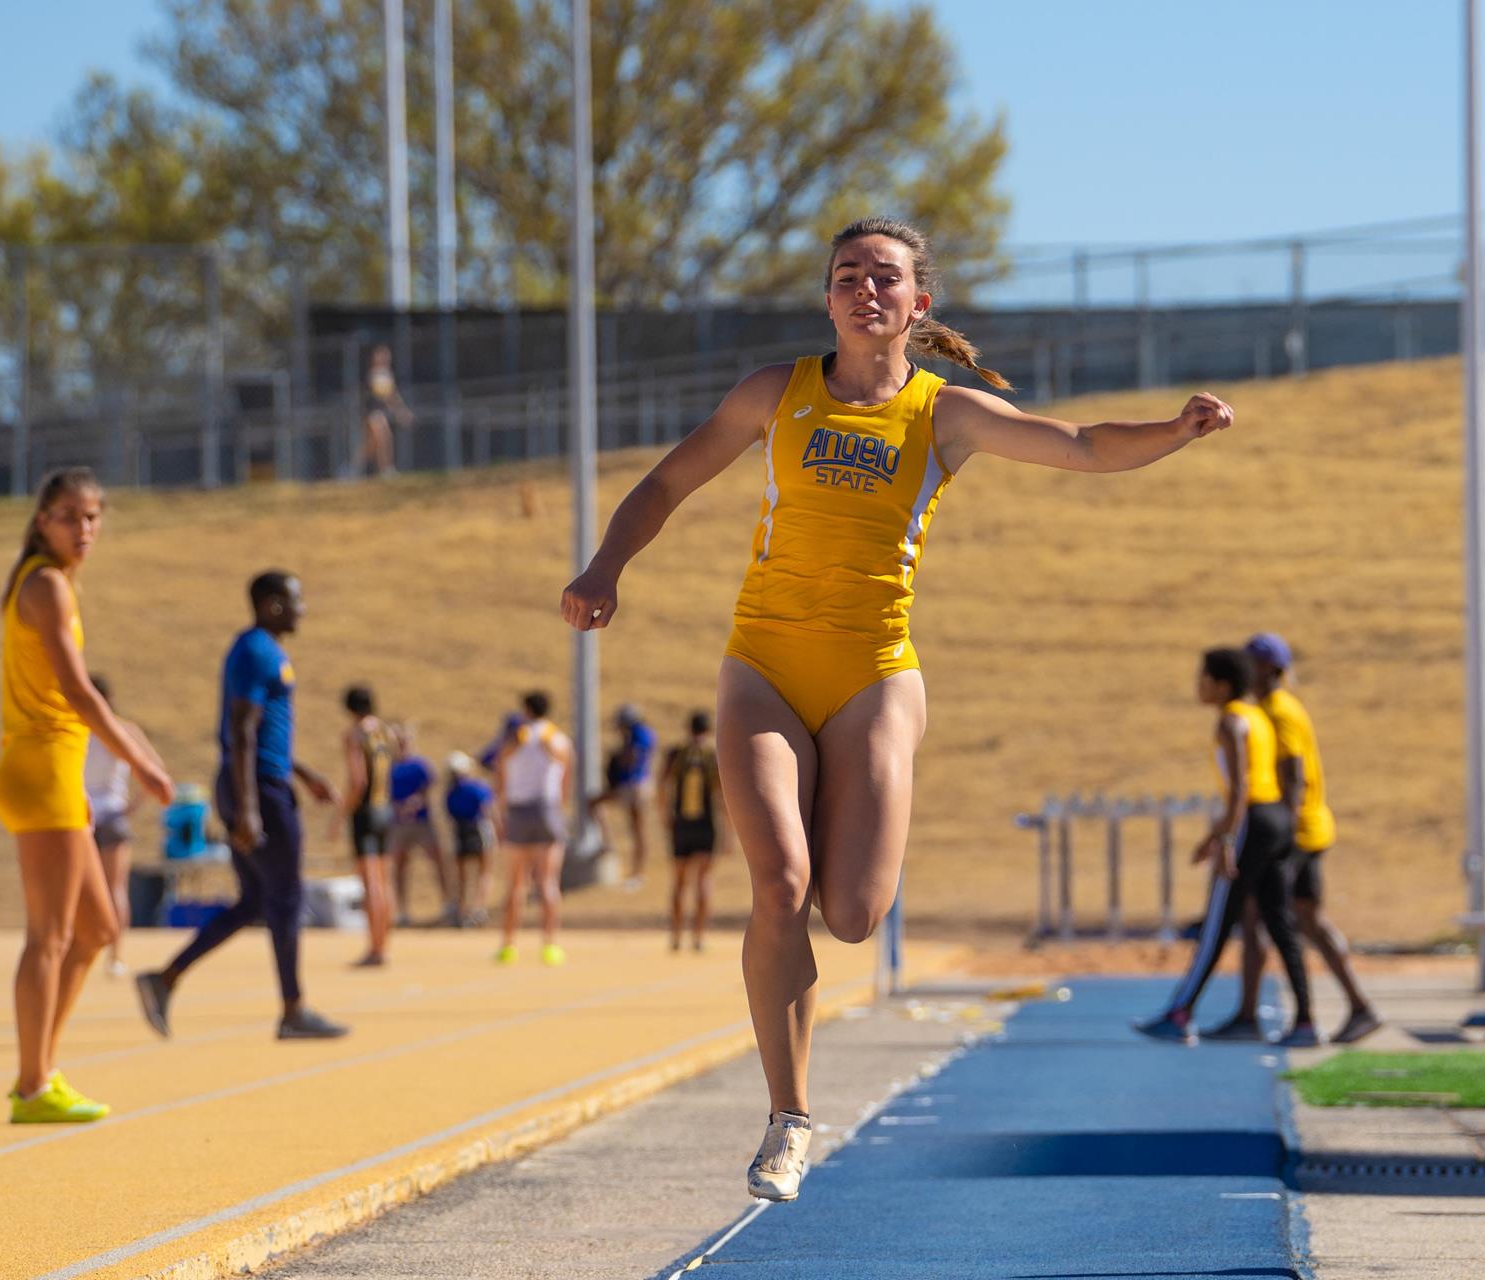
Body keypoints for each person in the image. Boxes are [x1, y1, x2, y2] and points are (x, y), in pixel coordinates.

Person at [560, 216, 1233, 1201]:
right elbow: (665, 483)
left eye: (885, 277)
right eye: (846, 276)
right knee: (778, 881)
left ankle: (859, 796)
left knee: (851, 915)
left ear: (919, 306)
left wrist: (1173, 431)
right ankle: (787, 1119)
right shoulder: (772, 394)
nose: (864, 290)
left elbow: (1082, 445)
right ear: (827, 301)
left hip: (874, 676)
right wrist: (603, 566)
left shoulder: (942, 414)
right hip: (764, 668)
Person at [0, 467, 173, 1123]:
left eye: (93, 517)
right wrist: (143, 763)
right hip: (40, 772)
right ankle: (33, 1086)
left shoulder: (53, 583)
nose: (84, 528)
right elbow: (78, 694)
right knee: (49, 936)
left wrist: (140, 757)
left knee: (98, 929)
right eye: (70, 516)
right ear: (42, 520)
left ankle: (40, 1074)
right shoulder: (44, 584)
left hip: (52, 772)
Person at [136, 572, 347, 1042]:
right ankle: (293, 1010)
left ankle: (164, 979)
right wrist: (249, 807)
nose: (302, 609)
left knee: (255, 899)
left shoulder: (264, 650)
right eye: (295, 600)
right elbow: (243, 728)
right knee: (286, 897)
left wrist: (305, 774)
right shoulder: (256, 650)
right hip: (258, 790)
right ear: (271, 605)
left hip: (257, 782)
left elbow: (263, 735)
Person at [1135, 647, 1318, 1048]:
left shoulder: (1233, 721)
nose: (1197, 687)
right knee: (1279, 921)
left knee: (1218, 922)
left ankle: (1181, 1012)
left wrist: (1226, 838)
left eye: (1203, 679)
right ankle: (1305, 1021)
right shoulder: (1257, 715)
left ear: (1221, 684)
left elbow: (1240, 789)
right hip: (1275, 820)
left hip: (1253, 820)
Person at [1214, 634, 1381, 1045]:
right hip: (1303, 829)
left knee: (1261, 916)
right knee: (1304, 919)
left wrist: (1278, 836)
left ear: (1272, 669)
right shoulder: (1271, 709)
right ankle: (1356, 1007)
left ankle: (1255, 1016)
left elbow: (1295, 777)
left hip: (1296, 833)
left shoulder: (1278, 711)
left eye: (1253, 663)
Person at [493, 691, 573, 966]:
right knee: (548, 881)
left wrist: (500, 807)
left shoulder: (515, 738)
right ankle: (550, 944)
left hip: (518, 809)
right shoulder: (556, 737)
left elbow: (500, 770)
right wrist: (562, 804)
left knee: (516, 883)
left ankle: (508, 944)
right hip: (546, 809)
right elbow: (566, 772)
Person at [84, 675, 149, 979]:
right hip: (113, 814)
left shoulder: (77, 730)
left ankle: (84, 952)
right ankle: (115, 956)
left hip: (82, 816)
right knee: (115, 889)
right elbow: (152, 769)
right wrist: (132, 806)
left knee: (81, 892)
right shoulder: (124, 730)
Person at [341, 686, 395, 966]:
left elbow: (358, 780)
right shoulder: (385, 731)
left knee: (370, 883)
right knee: (384, 882)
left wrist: (340, 814)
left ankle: (375, 947)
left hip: (365, 812)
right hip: (385, 808)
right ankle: (384, 942)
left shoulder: (354, 734)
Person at [661, 710, 721, 953]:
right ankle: (699, 936)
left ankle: (676, 935)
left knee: (679, 880)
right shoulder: (712, 755)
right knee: (703, 880)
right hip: (705, 825)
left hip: (682, 823)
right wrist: (727, 830)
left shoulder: (677, 754)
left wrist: (666, 816)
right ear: (707, 730)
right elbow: (722, 793)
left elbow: (662, 785)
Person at [388, 728, 457, 926]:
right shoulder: (390, 766)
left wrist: (416, 801)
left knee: (438, 860)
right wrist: (396, 807)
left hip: (422, 821)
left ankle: (448, 905)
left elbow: (429, 786)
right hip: (398, 823)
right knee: (399, 866)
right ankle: (402, 911)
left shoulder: (420, 765)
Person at [593, 704, 659, 890]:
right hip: (636, 785)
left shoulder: (638, 735)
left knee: (638, 831)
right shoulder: (645, 733)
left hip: (635, 785)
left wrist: (617, 758)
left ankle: (637, 872)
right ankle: (617, 852)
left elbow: (632, 757)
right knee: (636, 830)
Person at [444, 752, 496, 927]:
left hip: (460, 832)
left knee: (462, 876)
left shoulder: (450, 793)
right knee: (485, 872)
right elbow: (488, 809)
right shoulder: (477, 787)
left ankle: (460, 910)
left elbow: (449, 815)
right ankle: (478, 909)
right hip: (478, 830)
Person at [355, 343, 410, 477]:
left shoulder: (387, 374)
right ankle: (386, 469)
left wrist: (402, 410)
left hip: (380, 413)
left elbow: (393, 395)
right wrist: (399, 412)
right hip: (371, 414)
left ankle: (352, 468)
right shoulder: (373, 374)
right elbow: (384, 394)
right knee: (384, 437)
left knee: (371, 445)